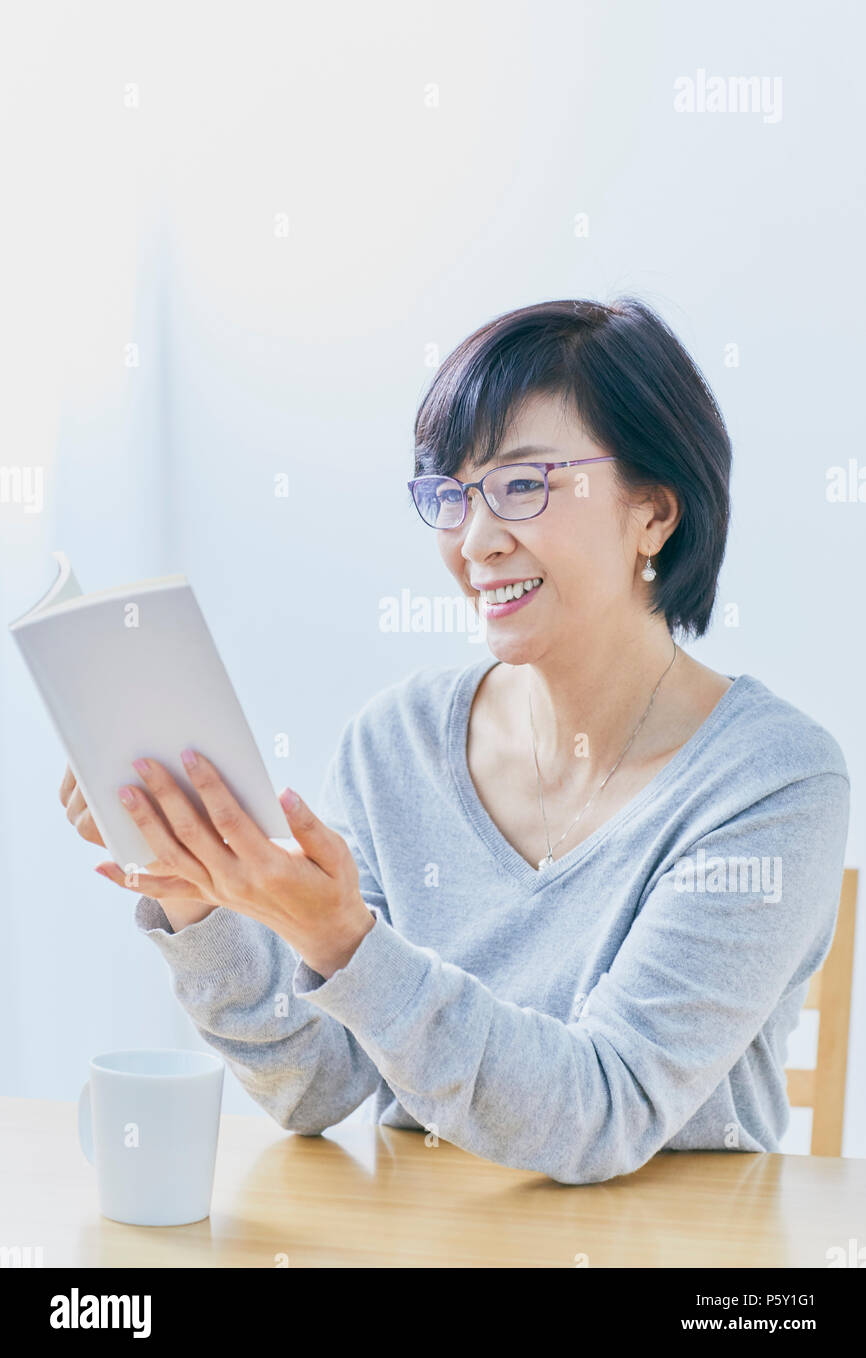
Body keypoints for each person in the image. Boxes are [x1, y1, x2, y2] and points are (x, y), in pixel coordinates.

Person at [60, 298, 850, 1185]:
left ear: (654, 513)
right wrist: (197, 898)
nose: (475, 541)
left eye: (524, 485)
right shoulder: (394, 745)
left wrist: (347, 943)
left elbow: (602, 1111)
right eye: (451, 496)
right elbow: (314, 1087)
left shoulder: (774, 781)